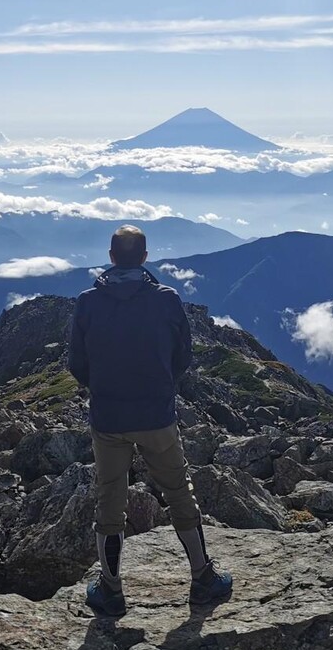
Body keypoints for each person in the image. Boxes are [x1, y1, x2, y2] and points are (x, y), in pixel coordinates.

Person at [67, 225, 233, 617]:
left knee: (110, 500)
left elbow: (76, 363)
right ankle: (202, 577)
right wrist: (160, 387)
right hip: (156, 416)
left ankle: (110, 590)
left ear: (110, 256)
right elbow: (183, 357)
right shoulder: (167, 300)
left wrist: (104, 388)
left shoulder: (88, 303)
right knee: (178, 490)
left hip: (108, 418)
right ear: (144, 257)